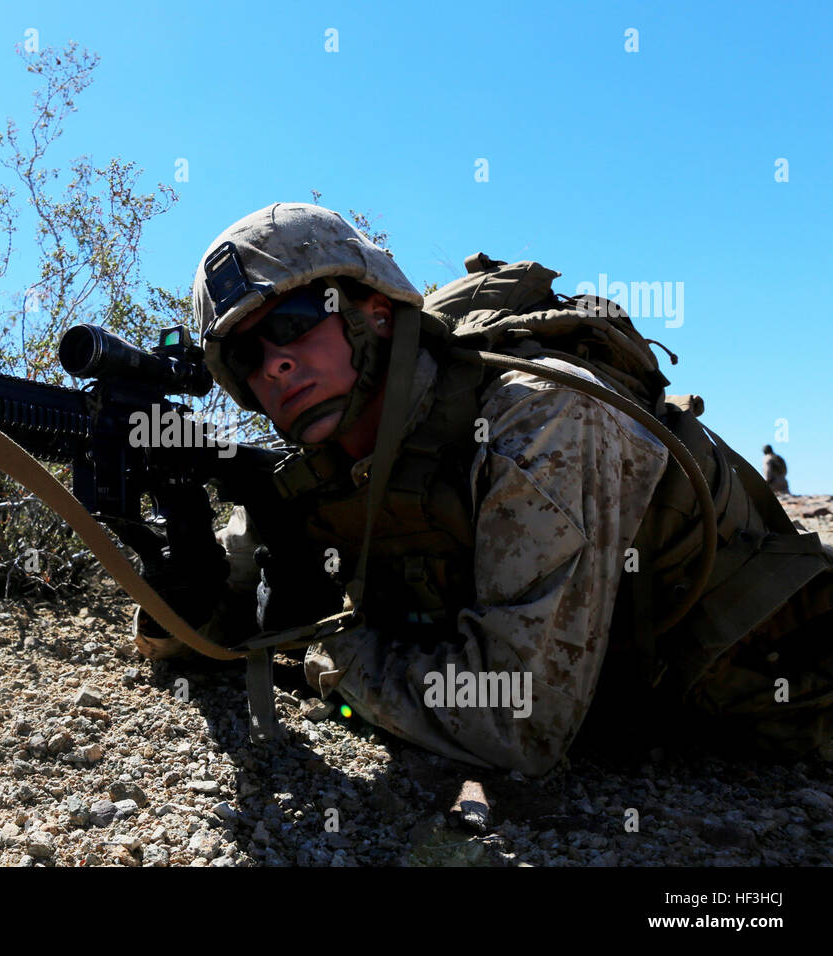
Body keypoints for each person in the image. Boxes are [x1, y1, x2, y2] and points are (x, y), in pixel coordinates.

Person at [132, 202, 833, 774]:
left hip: (784, 707)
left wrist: (335, 660)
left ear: (373, 312)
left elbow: (517, 720)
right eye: (249, 355)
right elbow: (223, 621)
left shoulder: (541, 418)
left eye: (293, 324)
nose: (276, 365)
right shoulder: (319, 471)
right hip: (647, 713)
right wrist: (182, 583)